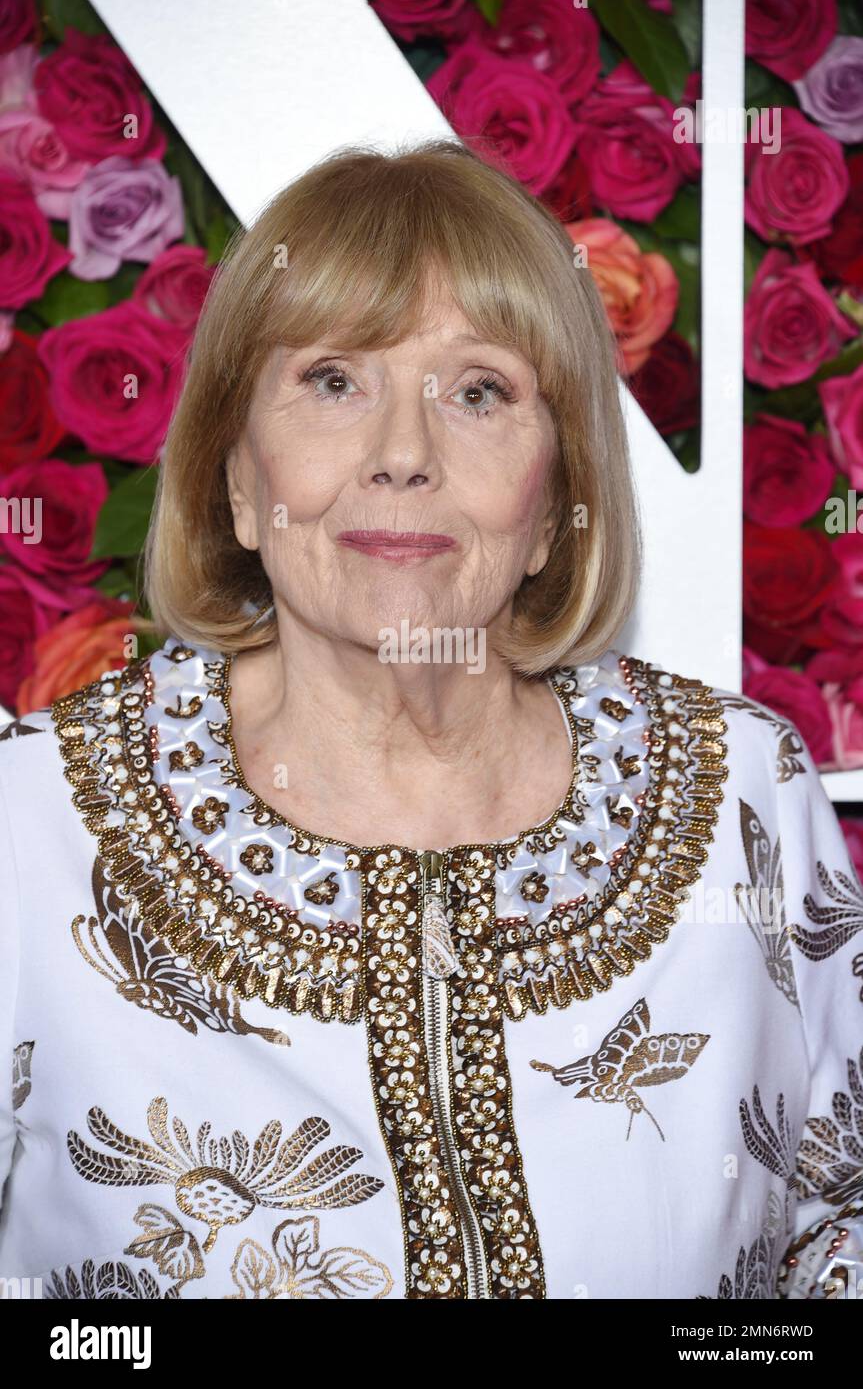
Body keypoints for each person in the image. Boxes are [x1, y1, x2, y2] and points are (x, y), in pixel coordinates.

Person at [1, 140, 860, 1301]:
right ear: (239, 480)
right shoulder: (31, 825)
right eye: (333, 381)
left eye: (478, 391)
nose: (402, 455)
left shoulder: (744, 791)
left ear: (557, 499)